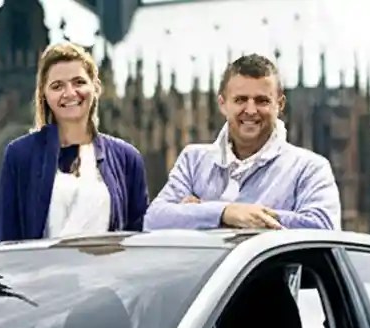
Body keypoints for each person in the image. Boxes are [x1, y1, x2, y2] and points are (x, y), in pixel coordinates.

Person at [143, 53, 341, 232]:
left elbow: (322, 227)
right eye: (240, 100)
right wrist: (225, 213)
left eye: (262, 100)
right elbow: (154, 220)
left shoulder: (308, 167)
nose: (251, 110)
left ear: (279, 105)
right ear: (222, 104)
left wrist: (201, 214)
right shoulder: (193, 160)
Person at [0, 43, 149, 243]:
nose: (70, 93)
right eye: (57, 86)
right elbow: (6, 243)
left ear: (96, 87)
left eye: (78, 82)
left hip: (105, 273)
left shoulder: (127, 158)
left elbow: (140, 240)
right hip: (43, 273)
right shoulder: (21, 155)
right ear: (44, 95)